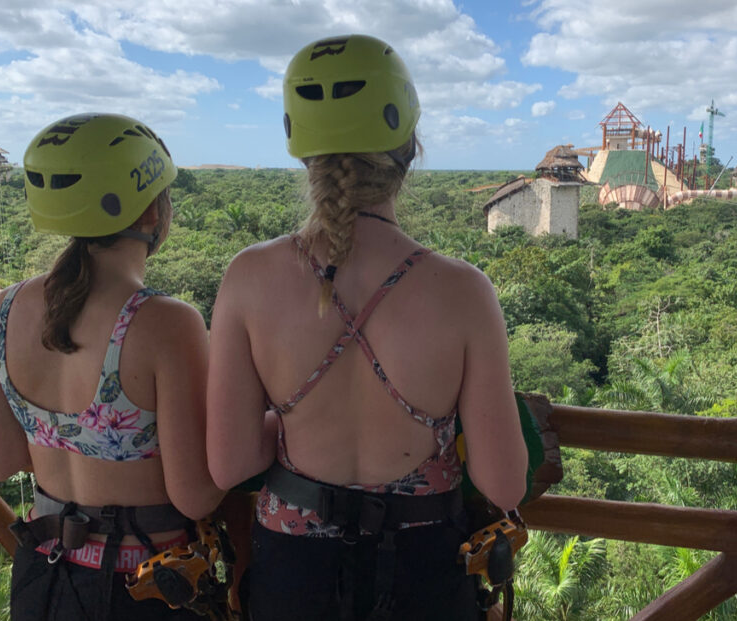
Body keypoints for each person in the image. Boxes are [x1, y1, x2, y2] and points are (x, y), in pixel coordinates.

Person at [206, 35, 528, 620]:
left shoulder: (247, 277)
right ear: (408, 147)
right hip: (424, 571)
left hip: (292, 577)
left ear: (301, 149)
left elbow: (228, 466)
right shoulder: (463, 291)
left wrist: (292, 421)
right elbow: (504, 483)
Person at [0, 113, 224, 621]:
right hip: (146, 586)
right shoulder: (166, 324)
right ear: (154, 209)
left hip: (44, 575)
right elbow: (194, 496)